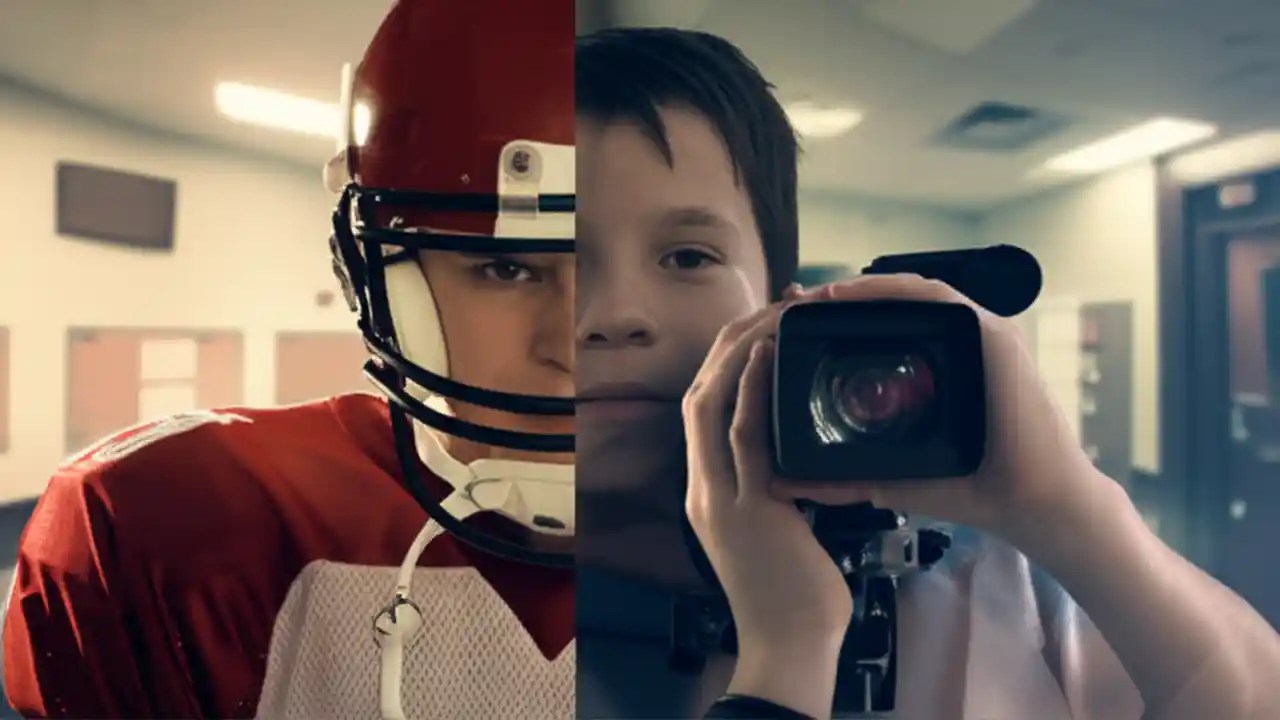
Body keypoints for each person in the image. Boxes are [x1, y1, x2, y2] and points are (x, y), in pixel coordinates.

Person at [574, 26, 1280, 720]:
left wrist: (1066, 509)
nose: (612, 314)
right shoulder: (475, 636)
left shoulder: (986, 585)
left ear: (778, 308)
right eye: (536, 262)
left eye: (688, 257)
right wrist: (788, 642)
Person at [2, 1, 576, 718]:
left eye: (676, 259)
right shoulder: (179, 523)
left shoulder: (755, 555)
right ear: (375, 282)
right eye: (506, 268)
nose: (574, 349)